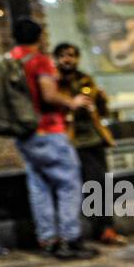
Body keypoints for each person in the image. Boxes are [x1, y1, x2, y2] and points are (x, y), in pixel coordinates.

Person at [8, 19, 96, 259]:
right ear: (39, 37)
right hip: (48, 130)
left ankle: (48, 239)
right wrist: (72, 102)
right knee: (68, 183)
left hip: (25, 134)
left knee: (39, 186)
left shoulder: (11, 60)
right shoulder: (39, 60)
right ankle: (70, 238)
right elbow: (48, 94)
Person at [54, 43, 124, 245]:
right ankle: (76, 233)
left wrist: (100, 100)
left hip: (93, 138)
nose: (68, 60)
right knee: (82, 187)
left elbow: (100, 112)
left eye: (72, 55)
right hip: (71, 141)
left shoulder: (85, 79)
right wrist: (71, 103)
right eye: (64, 56)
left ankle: (105, 228)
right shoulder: (55, 82)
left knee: (100, 184)